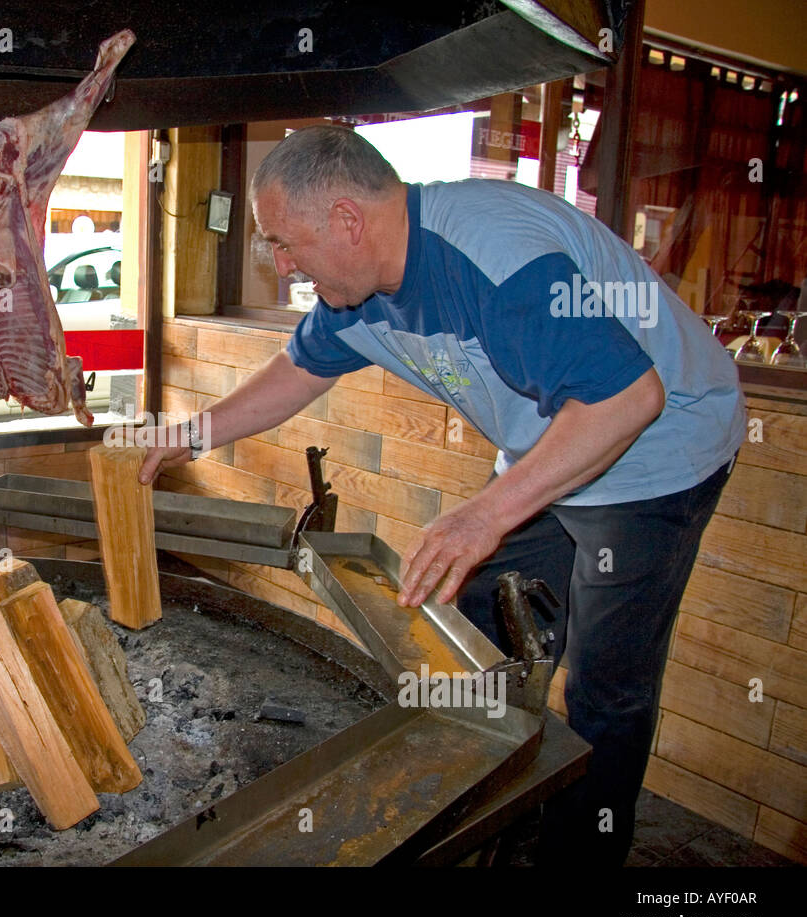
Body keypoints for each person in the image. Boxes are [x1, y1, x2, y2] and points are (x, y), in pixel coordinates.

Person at [136, 125, 745, 866]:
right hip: (549, 439)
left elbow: (627, 398)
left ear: (347, 221)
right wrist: (189, 433)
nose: (282, 265)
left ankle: (580, 855)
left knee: (603, 687)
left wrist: (486, 513)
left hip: (656, 449)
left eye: (285, 243)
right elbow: (300, 369)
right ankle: (496, 810)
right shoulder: (356, 289)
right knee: (473, 636)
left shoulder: (495, 258)